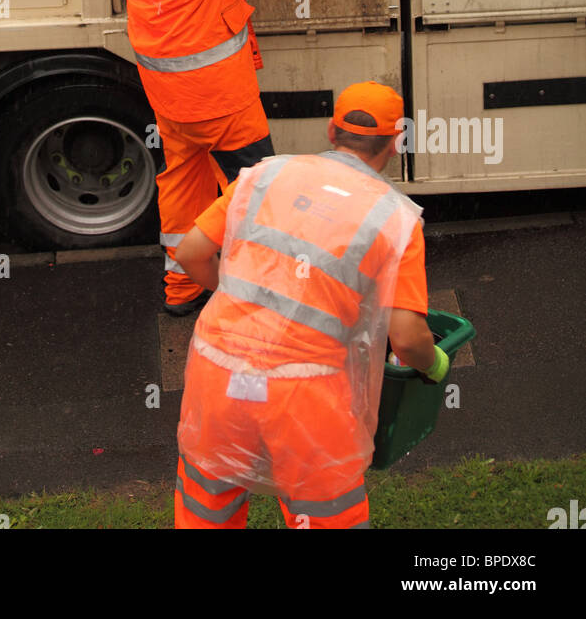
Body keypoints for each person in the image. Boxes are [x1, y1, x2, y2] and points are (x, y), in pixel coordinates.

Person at [171, 81, 449, 529]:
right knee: (325, 516)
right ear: (397, 142)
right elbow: (409, 339)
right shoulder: (394, 218)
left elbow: (189, 254)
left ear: (330, 131)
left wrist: (238, 296)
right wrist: (435, 365)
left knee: (207, 504)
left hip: (217, 373)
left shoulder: (264, 175)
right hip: (306, 396)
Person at [106, 0, 300, 314]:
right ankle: (268, 296)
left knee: (184, 188)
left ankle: (183, 286)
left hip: (167, 90)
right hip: (217, 92)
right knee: (258, 191)